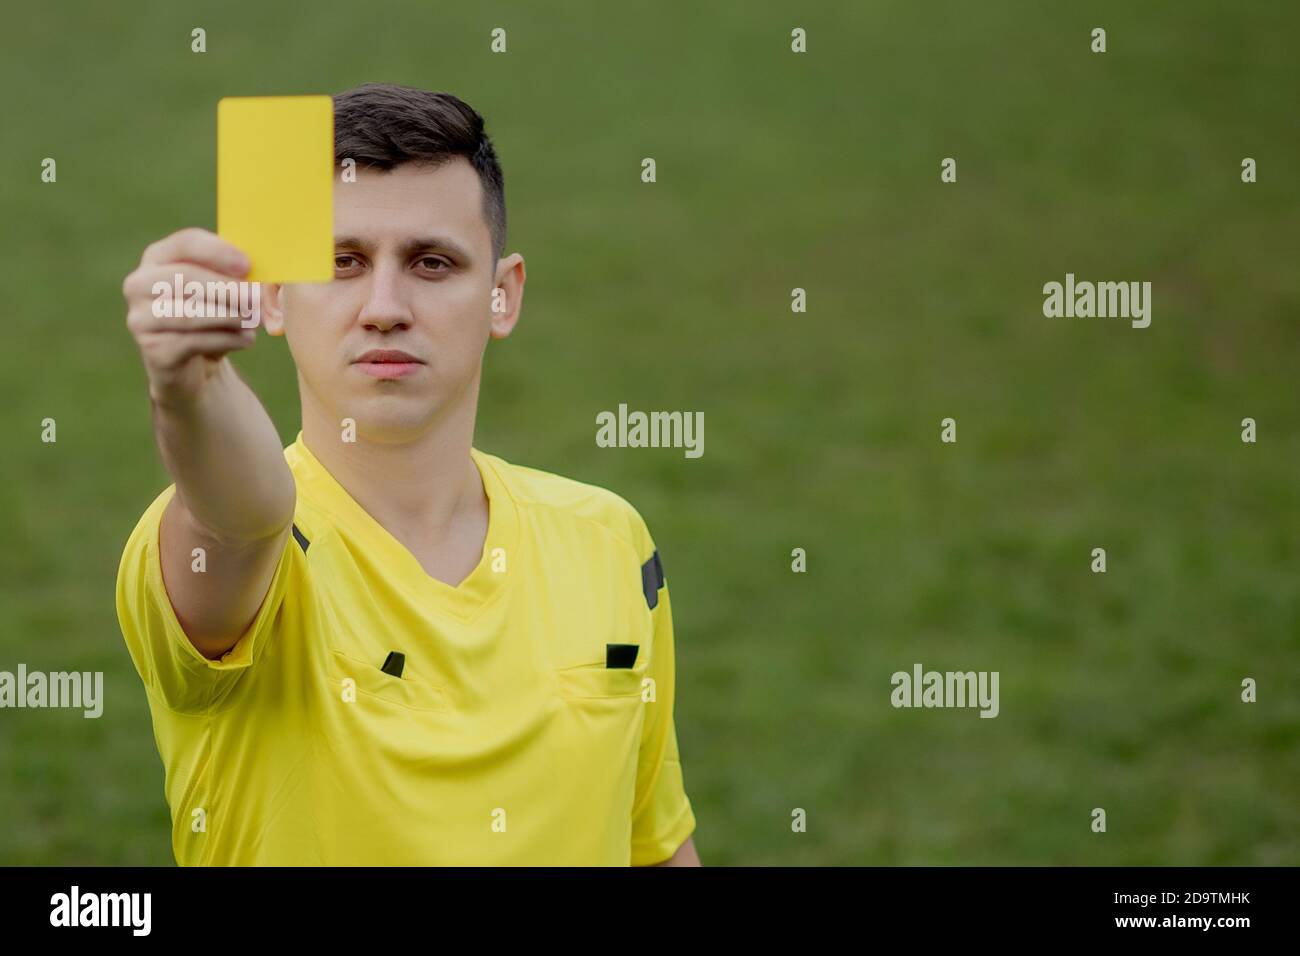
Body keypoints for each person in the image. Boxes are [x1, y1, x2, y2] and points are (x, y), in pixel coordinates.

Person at [115, 83, 699, 866]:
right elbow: (245, 515)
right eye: (342, 262)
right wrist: (187, 386)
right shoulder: (235, 553)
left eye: (431, 263)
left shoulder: (608, 537)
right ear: (274, 297)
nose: (384, 306)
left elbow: (654, 848)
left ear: (503, 295)